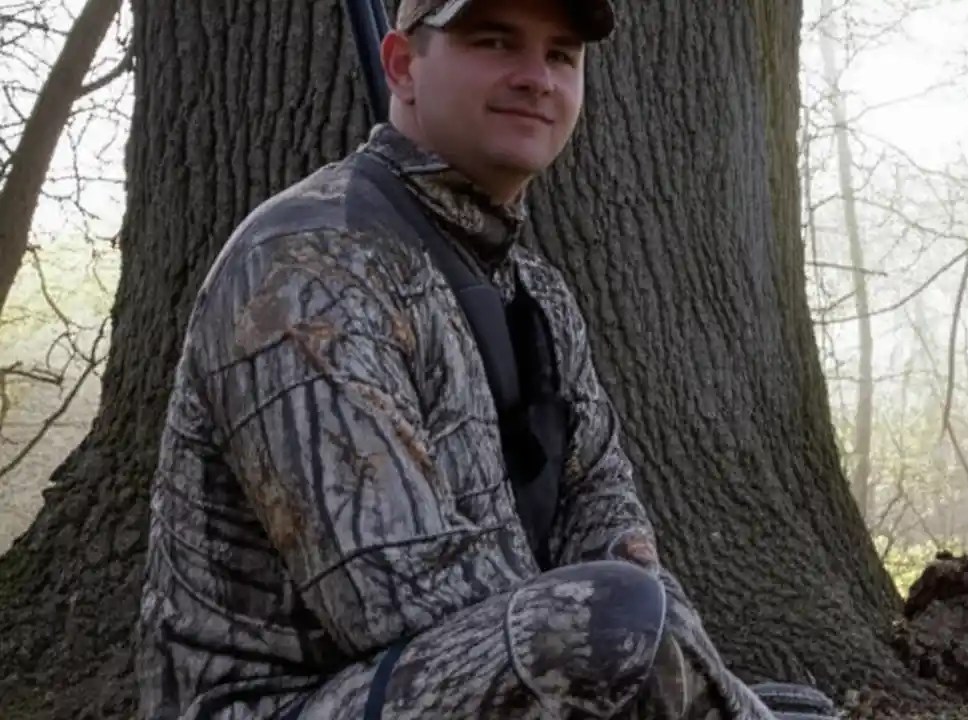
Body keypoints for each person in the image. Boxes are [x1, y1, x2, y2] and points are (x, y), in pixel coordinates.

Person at [136, 0, 837, 718]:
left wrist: (706, 686)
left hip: (473, 674)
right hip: (284, 702)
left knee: (739, 682)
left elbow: (613, 532)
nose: (536, 78)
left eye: (561, 55)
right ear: (403, 66)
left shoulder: (538, 296)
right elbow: (396, 598)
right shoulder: (306, 266)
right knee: (610, 634)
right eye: (496, 42)